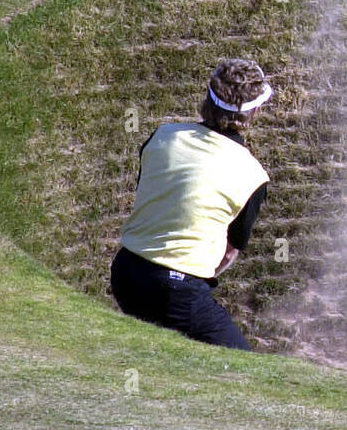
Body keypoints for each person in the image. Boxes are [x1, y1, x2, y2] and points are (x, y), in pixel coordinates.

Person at [111, 59, 271, 350]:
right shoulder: (252, 175)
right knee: (243, 367)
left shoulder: (162, 136)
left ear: (207, 99)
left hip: (126, 273)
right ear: (255, 112)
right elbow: (229, 252)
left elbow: (153, 195)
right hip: (177, 290)